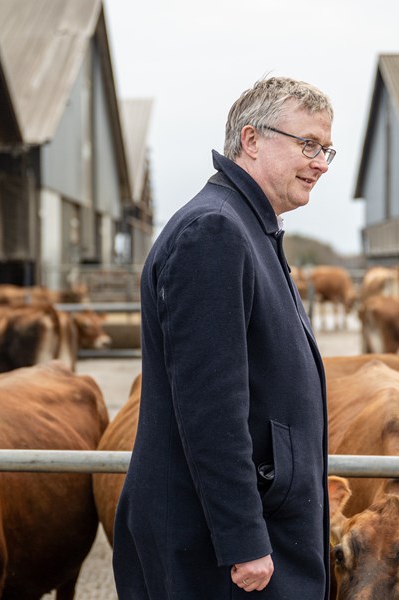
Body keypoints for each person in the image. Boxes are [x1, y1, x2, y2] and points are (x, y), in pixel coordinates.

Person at [113, 76, 334, 598]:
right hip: (218, 553)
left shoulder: (250, 227)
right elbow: (210, 404)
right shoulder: (214, 231)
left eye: (326, 149)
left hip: (249, 530)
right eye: (307, 144)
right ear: (252, 140)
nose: (321, 163)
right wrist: (242, 539)